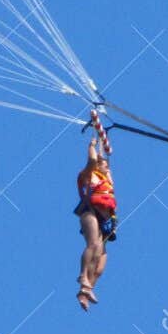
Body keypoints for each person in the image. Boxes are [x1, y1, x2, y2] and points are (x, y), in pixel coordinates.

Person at [75, 113, 117, 311]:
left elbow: (105, 164)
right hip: (90, 212)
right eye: (104, 166)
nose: (106, 168)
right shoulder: (88, 175)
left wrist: (103, 141)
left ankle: (87, 289)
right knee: (93, 244)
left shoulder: (107, 181)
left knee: (101, 262)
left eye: (107, 167)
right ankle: (83, 276)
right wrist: (92, 145)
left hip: (106, 220)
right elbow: (93, 160)